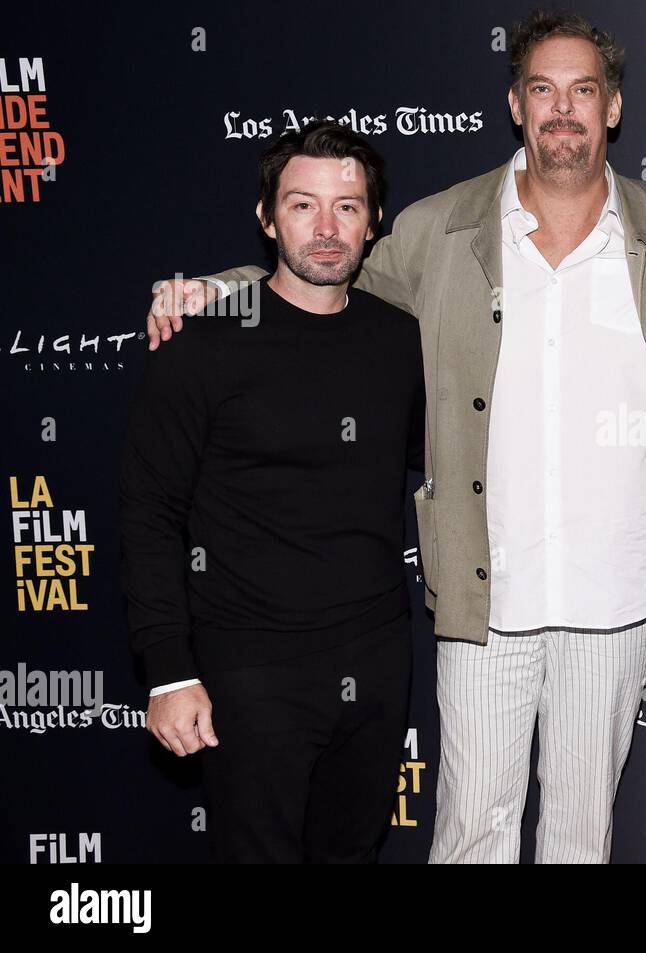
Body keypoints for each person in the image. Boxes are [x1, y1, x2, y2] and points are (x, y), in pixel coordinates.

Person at [143, 11, 646, 864]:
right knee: (472, 830)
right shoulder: (439, 228)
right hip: (489, 592)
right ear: (515, 105)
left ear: (612, 109)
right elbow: (325, 271)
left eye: (583, 90)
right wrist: (217, 287)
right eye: (542, 89)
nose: (562, 109)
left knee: (579, 836)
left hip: (619, 588)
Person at [121, 120, 423, 862]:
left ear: (374, 220)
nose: (326, 228)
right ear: (266, 217)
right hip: (249, 668)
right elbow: (150, 513)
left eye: (347, 207)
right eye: (301, 205)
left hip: (377, 658)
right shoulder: (200, 344)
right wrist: (170, 671)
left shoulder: (402, 340)